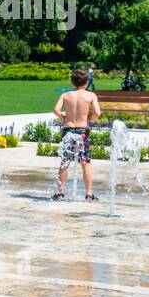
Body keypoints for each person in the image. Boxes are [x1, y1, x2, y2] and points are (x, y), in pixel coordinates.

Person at [53, 68, 102, 201]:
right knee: (85, 163)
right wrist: (89, 120)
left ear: (73, 82)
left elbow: (55, 110)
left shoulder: (66, 95)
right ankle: (89, 194)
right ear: (86, 82)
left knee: (64, 162)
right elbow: (97, 112)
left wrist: (63, 118)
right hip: (82, 131)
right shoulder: (91, 96)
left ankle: (60, 192)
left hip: (68, 130)